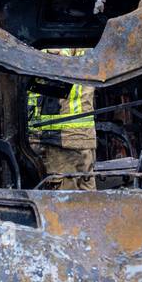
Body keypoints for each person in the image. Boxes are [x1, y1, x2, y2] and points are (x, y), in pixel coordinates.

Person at [28, 48, 96, 190]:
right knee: (87, 202)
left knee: (64, 204)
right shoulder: (87, 40)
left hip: (58, 139)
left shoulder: (53, 44)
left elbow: (54, 61)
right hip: (80, 137)